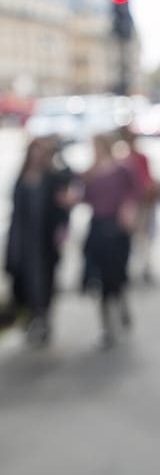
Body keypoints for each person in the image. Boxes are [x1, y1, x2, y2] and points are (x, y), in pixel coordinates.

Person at [4, 137, 72, 347]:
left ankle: (43, 319)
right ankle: (31, 317)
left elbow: (66, 195)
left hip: (44, 242)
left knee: (44, 282)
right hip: (23, 239)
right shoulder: (21, 178)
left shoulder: (53, 178)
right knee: (22, 281)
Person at [82, 134, 138, 348]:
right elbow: (86, 198)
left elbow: (133, 193)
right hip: (98, 228)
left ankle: (121, 305)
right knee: (100, 278)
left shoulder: (121, 170)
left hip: (117, 229)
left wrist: (129, 211)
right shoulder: (91, 173)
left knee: (117, 274)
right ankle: (107, 325)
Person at [119, 126, 160, 284]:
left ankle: (143, 267)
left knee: (143, 237)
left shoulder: (134, 158)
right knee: (139, 238)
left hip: (142, 202)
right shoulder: (126, 159)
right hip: (137, 203)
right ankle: (140, 268)